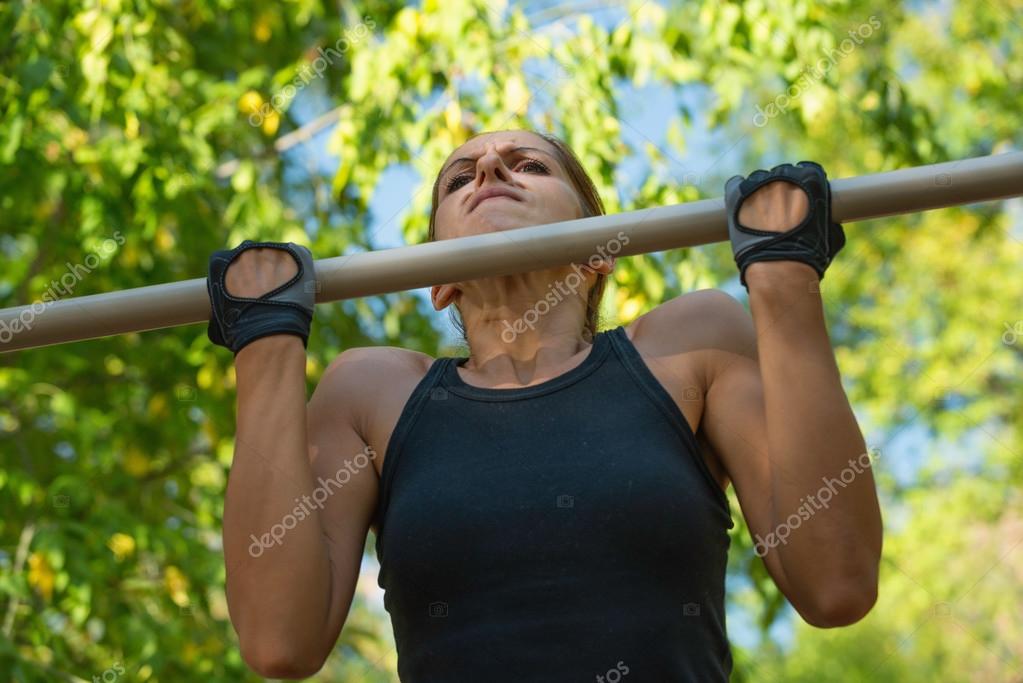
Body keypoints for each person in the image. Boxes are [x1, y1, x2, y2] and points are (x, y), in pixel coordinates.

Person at [208, 129, 883, 681]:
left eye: (529, 164)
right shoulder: (373, 393)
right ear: (436, 279)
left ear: (599, 250)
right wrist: (265, 345)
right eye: (458, 176)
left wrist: (782, 276)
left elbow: (836, 583)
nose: (491, 167)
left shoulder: (688, 346)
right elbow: (278, 641)